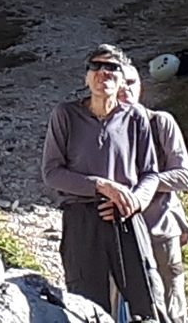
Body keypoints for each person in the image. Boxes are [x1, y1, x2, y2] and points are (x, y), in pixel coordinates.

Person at [41, 44, 169, 322]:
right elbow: (52, 172)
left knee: (148, 300)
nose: (103, 73)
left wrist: (134, 202)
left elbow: (150, 173)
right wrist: (101, 185)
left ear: (123, 78)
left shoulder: (135, 117)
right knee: (87, 305)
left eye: (111, 68)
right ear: (86, 78)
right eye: (96, 67)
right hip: (81, 219)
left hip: (126, 217)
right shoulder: (66, 115)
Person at [124, 63, 188, 323]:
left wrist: (143, 186)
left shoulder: (160, 122)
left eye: (131, 82)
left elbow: (185, 176)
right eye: (120, 83)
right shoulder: (100, 130)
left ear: (141, 86)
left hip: (161, 228)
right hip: (120, 232)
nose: (125, 89)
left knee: (171, 307)